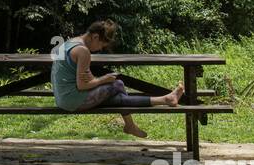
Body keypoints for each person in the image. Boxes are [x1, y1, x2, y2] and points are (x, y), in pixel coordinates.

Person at [51, 19, 183, 138]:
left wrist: (98, 80)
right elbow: (82, 85)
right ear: (95, 37)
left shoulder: (69, 43)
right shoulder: (83, 51)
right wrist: (104, 79)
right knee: (117, 85)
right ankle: (144, 114)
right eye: (102, 45)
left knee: (118, 93)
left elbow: (83, 77)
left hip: (62, 98)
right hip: (72, 100)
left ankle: (163, 101)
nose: (100, 49)